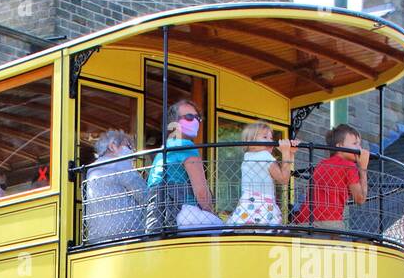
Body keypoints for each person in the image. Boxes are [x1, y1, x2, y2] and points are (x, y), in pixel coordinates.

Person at [145, 100, 222, 230]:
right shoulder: (186, 147)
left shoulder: (162, 151)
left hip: (158, 220)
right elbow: (201, 193)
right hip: (185, 215)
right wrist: (211, 214)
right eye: (189, 117)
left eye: (198, 118)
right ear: (174, 122)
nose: (196, 121)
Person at [292, 122, 370, 231]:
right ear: (339, 146)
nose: (359, 148)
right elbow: (360, 198)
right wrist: (363, 168)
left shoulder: (321, 164)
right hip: (329, 221)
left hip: (304, 220)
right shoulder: (349, 165)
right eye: (355, 143)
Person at [227, 121, 297, 227]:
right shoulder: (264, 156)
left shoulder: (248, 157)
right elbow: (284, 179)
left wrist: (289, 153)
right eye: (265, 137)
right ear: (251, 142)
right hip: (263, 206)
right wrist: (286, 153)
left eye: (271, 138)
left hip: (248, 204)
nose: (270, 141)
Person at [83, 128, 146, 241]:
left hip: (96, 238)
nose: (132, 151)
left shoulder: (91, 170)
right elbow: (144, 195)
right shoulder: (119, 164)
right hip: (128, 235)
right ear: (112, 146)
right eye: (129, 146)